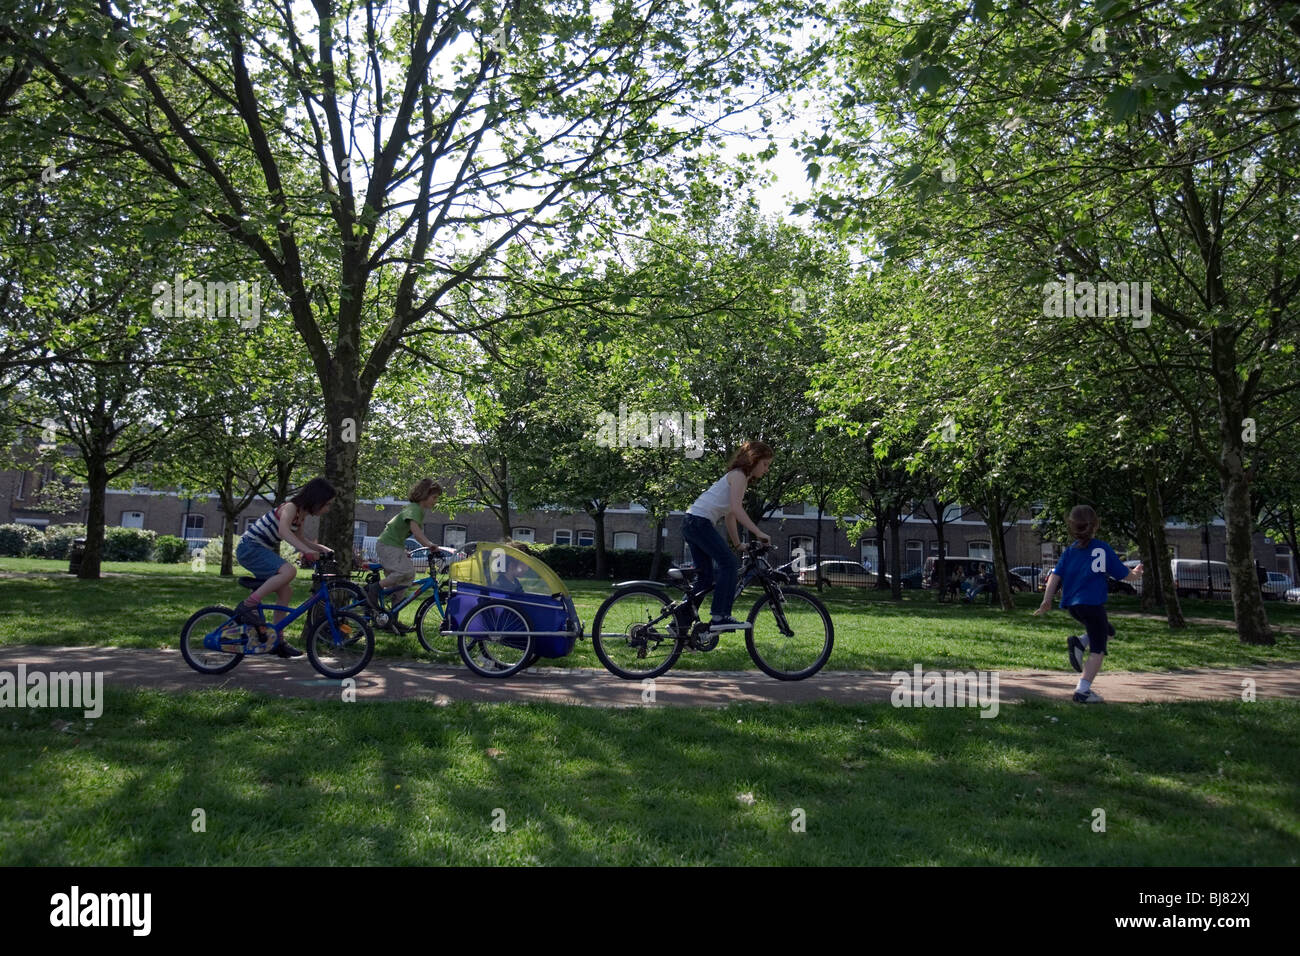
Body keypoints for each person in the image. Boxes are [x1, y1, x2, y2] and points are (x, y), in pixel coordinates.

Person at [1033, 504, 1143, 703]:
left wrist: (1046, 599)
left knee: (1108, 632)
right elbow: (1124, 574)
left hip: (1073, 606)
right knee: (1098, 650)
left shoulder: (1069, 552)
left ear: (1072, 527)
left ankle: (1080, 642)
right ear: (1096, 525)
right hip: (1092, 605)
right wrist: (1136, 574)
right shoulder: (1102, 548)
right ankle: (1082, 691)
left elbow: (1054, 576)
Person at [233, 477, 336, 658]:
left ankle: (277, 641)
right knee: (289, 570)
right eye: (326, 504)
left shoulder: (301, 516)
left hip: (259, 549)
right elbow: (284, 531)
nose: (328, 509)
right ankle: (248, 605)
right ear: (316, 499)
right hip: (249, 548)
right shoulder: (290, 507)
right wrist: (306, 552)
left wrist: (322, 549)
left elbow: (301, 539)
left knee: (286, 592)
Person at [681, 440, 773, 633]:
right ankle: (720, 616)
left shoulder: (740, 478)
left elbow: (731, 514)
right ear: (753, 460)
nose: (766, 470)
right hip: (699, 522)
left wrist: (738, 544)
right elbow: (738, 510)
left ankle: (678, 624)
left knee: (705, 579)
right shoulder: (739, 476)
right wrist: (758, 532)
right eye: (765, 464)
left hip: (692, 522)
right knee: (729, 563)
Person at [368, 478, 441, 609]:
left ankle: (393, 615)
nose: (436, 501)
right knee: (404, 571)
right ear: (425, 494)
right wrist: (429, 544)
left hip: (394, 545)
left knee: (408, 577)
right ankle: (374, 588)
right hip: (387, 544)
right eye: (434, 497)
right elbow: (416, 532)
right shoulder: (414, 509)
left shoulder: (418, 510)